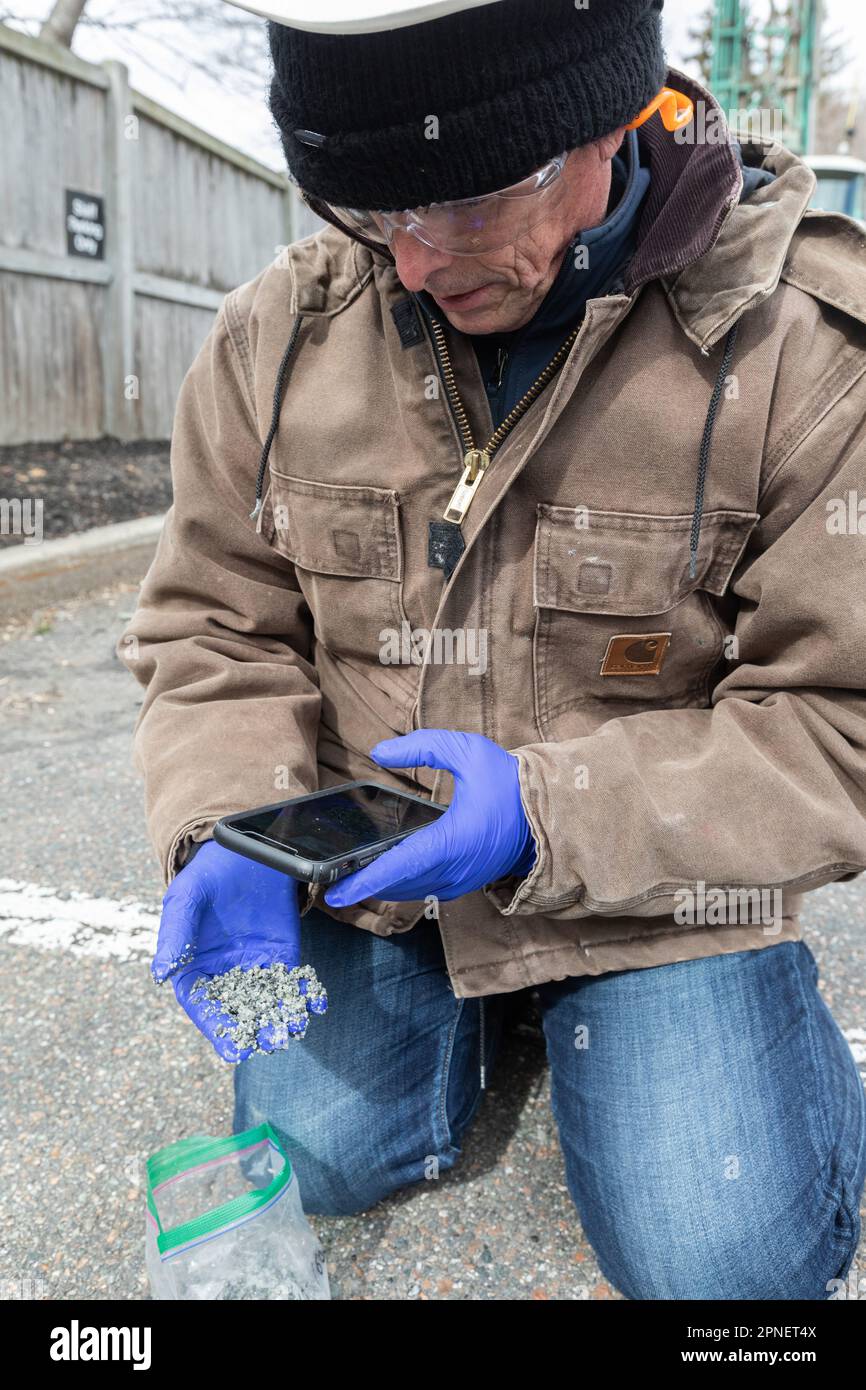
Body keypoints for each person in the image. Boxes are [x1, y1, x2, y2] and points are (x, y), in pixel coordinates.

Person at [119, 0, 866, 1299]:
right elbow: (213, 617)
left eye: (462, 204)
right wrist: (226, 824)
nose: (411, 265)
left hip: (650, 884)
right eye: (372, 210)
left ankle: (702, 1019)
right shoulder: (275, 335)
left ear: (605, 124)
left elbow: (833, 720)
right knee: (311, 1150)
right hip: (383, 865)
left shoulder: (799, 350)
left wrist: (543, 812)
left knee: (720, 1258)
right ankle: (490, 1008)